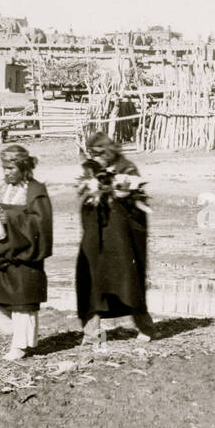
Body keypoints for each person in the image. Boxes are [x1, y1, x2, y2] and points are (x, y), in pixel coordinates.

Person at [0, 144, 53, 361]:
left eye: (11, 168)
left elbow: (40, 224)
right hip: (5, 252)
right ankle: (21, 338)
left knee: (22, 301)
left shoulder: (36, 192)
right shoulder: (3, 189)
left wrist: (13, 219)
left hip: (26, 254)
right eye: (4, 168)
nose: (6, 172)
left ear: (24, 168)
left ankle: (20, 346)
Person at [76, 132, 156, 345]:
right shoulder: (91, 169)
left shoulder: (127, 168)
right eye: (93, 154)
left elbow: (135, 206)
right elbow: (85, 196)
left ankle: (145, 327)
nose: (97, 158)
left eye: (100, 153)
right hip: (97, 236)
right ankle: (93, 334)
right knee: (92, 280)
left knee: (128, 281)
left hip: (121, 238)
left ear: (109, 151)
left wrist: (118, 192)